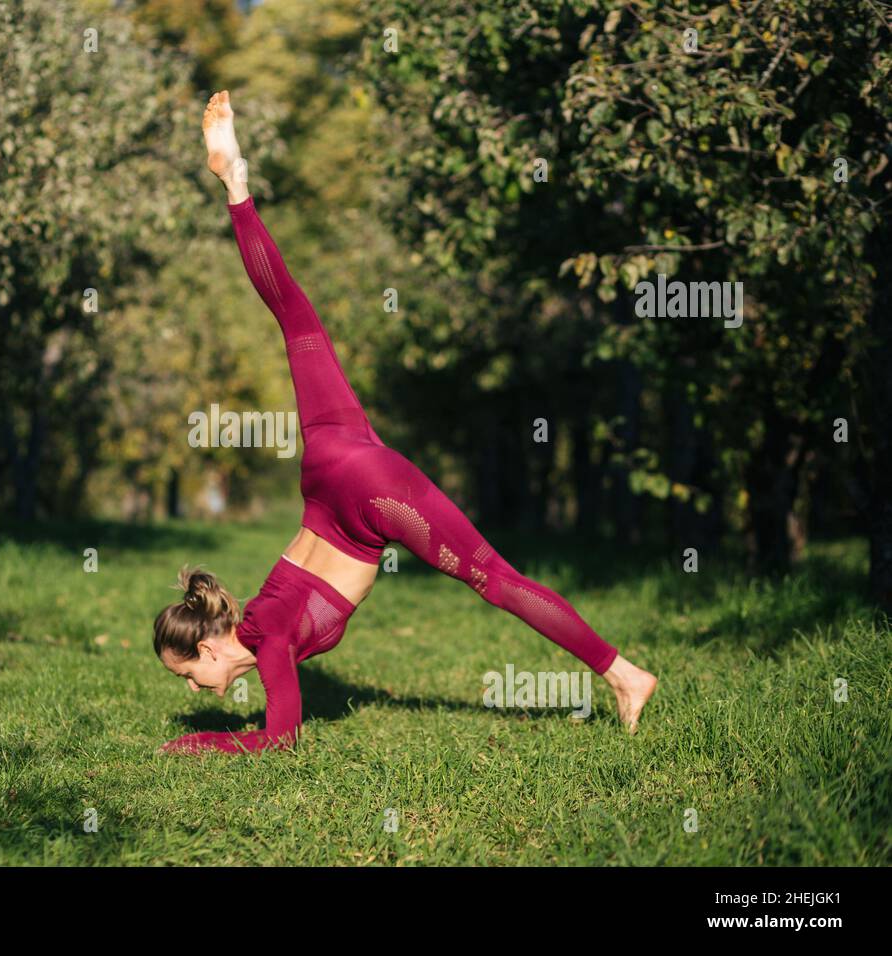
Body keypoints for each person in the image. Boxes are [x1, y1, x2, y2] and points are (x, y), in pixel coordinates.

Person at [153, 92, 657, 754]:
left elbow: (280, 744)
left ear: (213, 647)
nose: (194, 688)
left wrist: (192, 746)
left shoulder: (266, 641)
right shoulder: (258, 622)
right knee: (294, 319)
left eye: (188, 673)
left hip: (368, 497)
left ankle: (625, 675)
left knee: (498, 581)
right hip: (333, 462)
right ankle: (237, 189)